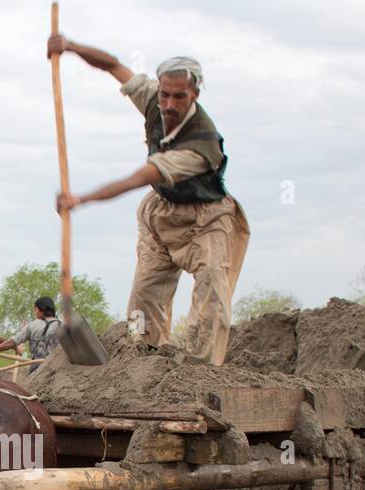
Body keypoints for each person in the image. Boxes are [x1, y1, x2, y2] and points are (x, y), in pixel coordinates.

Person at [47, 35, 250, 364]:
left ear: (194, 95)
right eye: (166, 94)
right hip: (161, 215)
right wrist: (70, 47)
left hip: (207, 219)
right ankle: (140, 357)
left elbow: (141, 177)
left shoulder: (202, 144)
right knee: (144, 296)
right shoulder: (153, 98)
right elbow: (113, 65)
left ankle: (200, 372)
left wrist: (81, 199)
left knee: (212, 291)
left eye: (179, 98)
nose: (169, 105)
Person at [0, 296, 61, 372]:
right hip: (59, 370)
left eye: (35, 310)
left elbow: (11, 343)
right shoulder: (64, 327)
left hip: (38, 371)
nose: (35, 313)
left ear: (39, 310)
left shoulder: (33, 325)